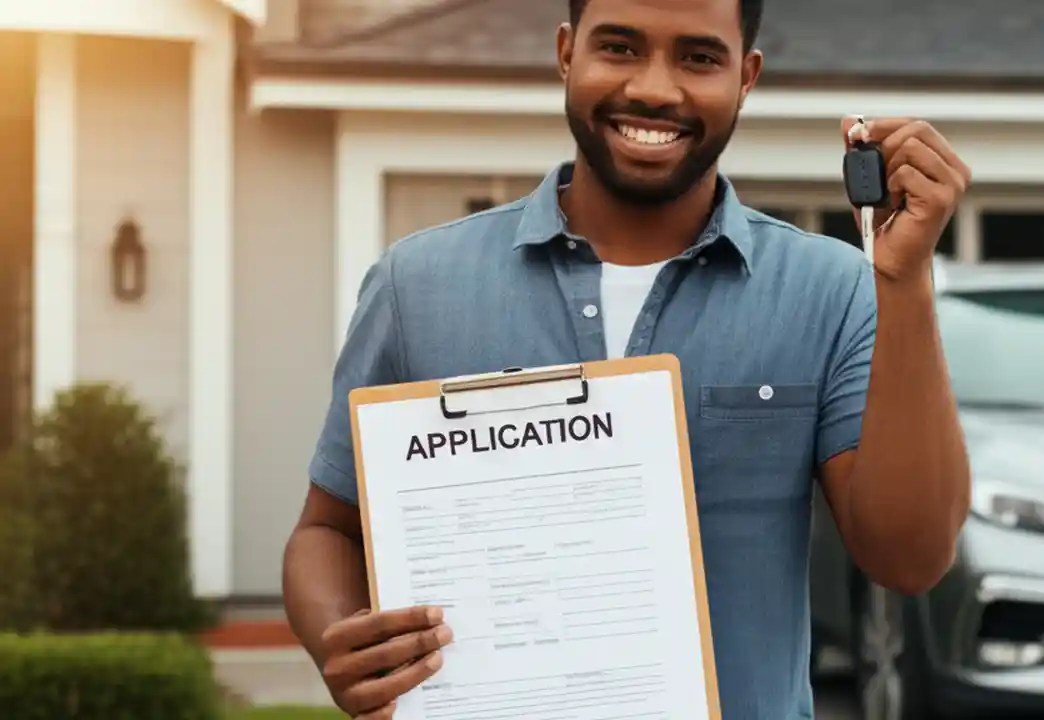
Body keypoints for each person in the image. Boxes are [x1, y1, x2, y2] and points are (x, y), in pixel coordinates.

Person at [282, 0, 973, 717]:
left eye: (699, 58)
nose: (654, 88)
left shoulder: (832, 292)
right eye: (619, 47)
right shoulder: (417, 286)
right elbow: (326, 531)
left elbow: (910, 558)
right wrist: (340, 632)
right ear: (565, 53)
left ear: (747, 76)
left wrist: (903, 280)